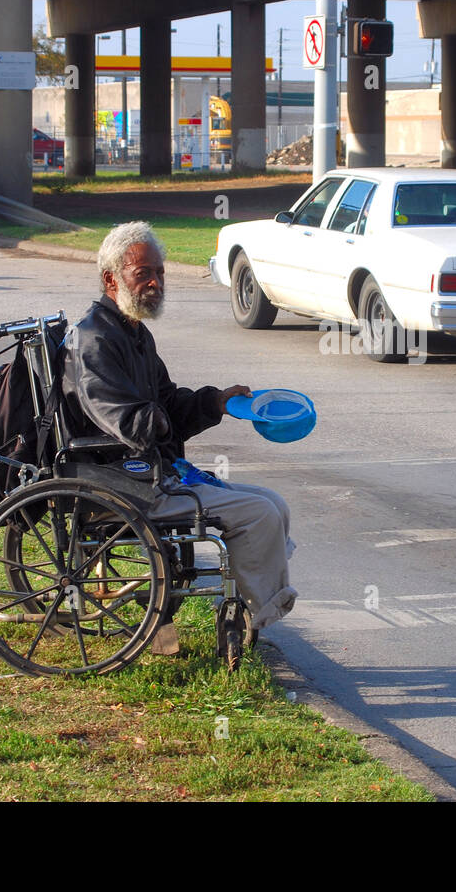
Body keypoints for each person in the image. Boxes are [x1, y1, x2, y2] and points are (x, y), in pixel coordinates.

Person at [60, 221, 298, 640]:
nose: (155, 282)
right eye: (143, 273)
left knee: (274, 502)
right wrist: (165, 419)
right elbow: (130, 424)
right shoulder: (96, 339)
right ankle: (261, 608)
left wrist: (216, 401)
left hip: (150, 470)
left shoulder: (133, 332)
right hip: (122, 480)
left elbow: (167, 400)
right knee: (258, 513)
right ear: (111, 278)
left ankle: (253, 600)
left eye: (160, 272)